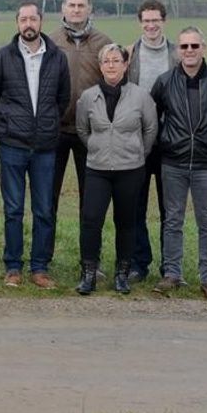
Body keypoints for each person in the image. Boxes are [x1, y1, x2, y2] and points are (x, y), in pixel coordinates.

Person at [0, 2, 70, 288]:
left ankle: (40, 268)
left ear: (41, 22)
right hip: (12, 146)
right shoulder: (2, 58)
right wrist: (6, 127)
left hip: (45, 147)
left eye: (33, 18)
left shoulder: (57, 58)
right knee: (13, 209)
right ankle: (13, 267)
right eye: (23, 19)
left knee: (44, 209)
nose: (28, 24)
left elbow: (63, 98)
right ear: (17, 23)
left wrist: (48, 124)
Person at [149, 26, 207, 303]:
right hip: (173, 161)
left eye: (194, 46)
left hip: (206, 164)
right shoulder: (164, 82)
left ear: (203, 48)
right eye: (184, 46)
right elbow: (153, 118)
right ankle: (172, 273)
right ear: (177, 51)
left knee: (206, 222)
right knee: (172, 220)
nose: (189, 51)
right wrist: (164, 145)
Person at [75, 44, 158, 295]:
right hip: (97, 168)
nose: (111, 65)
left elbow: (150, 130)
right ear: (100, 67)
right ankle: (88, 273)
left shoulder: (141, 96)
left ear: (125, 65)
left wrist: (134, 152)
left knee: (126, 223)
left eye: (116, 60)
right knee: (91, 220)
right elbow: (82, 130)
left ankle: (122, 274)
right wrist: (99, 148)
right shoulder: (88, 97)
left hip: (130, 169)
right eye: (106, 61)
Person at [50, 0, 112, 238]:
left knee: (91, 201)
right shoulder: (50, 42)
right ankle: (42, 259)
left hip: (90, 133)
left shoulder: (104, 43)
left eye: (81, 5)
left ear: (89, 9)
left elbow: (113, 85)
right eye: (72, 5)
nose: (76, 10)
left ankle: (90, 259)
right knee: (47, 198)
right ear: (63, 8)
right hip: (55, 131)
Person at [124, 0, 179, 282]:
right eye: (146, 20)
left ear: (164, 21)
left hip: (170, 142)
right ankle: (138, 263)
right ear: (140, 23)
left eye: (155, 20)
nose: (151, 25)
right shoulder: (130, 55)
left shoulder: (178, 55)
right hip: (138, 140)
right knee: (136, 206)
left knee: (169, 210)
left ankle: (170, 268)